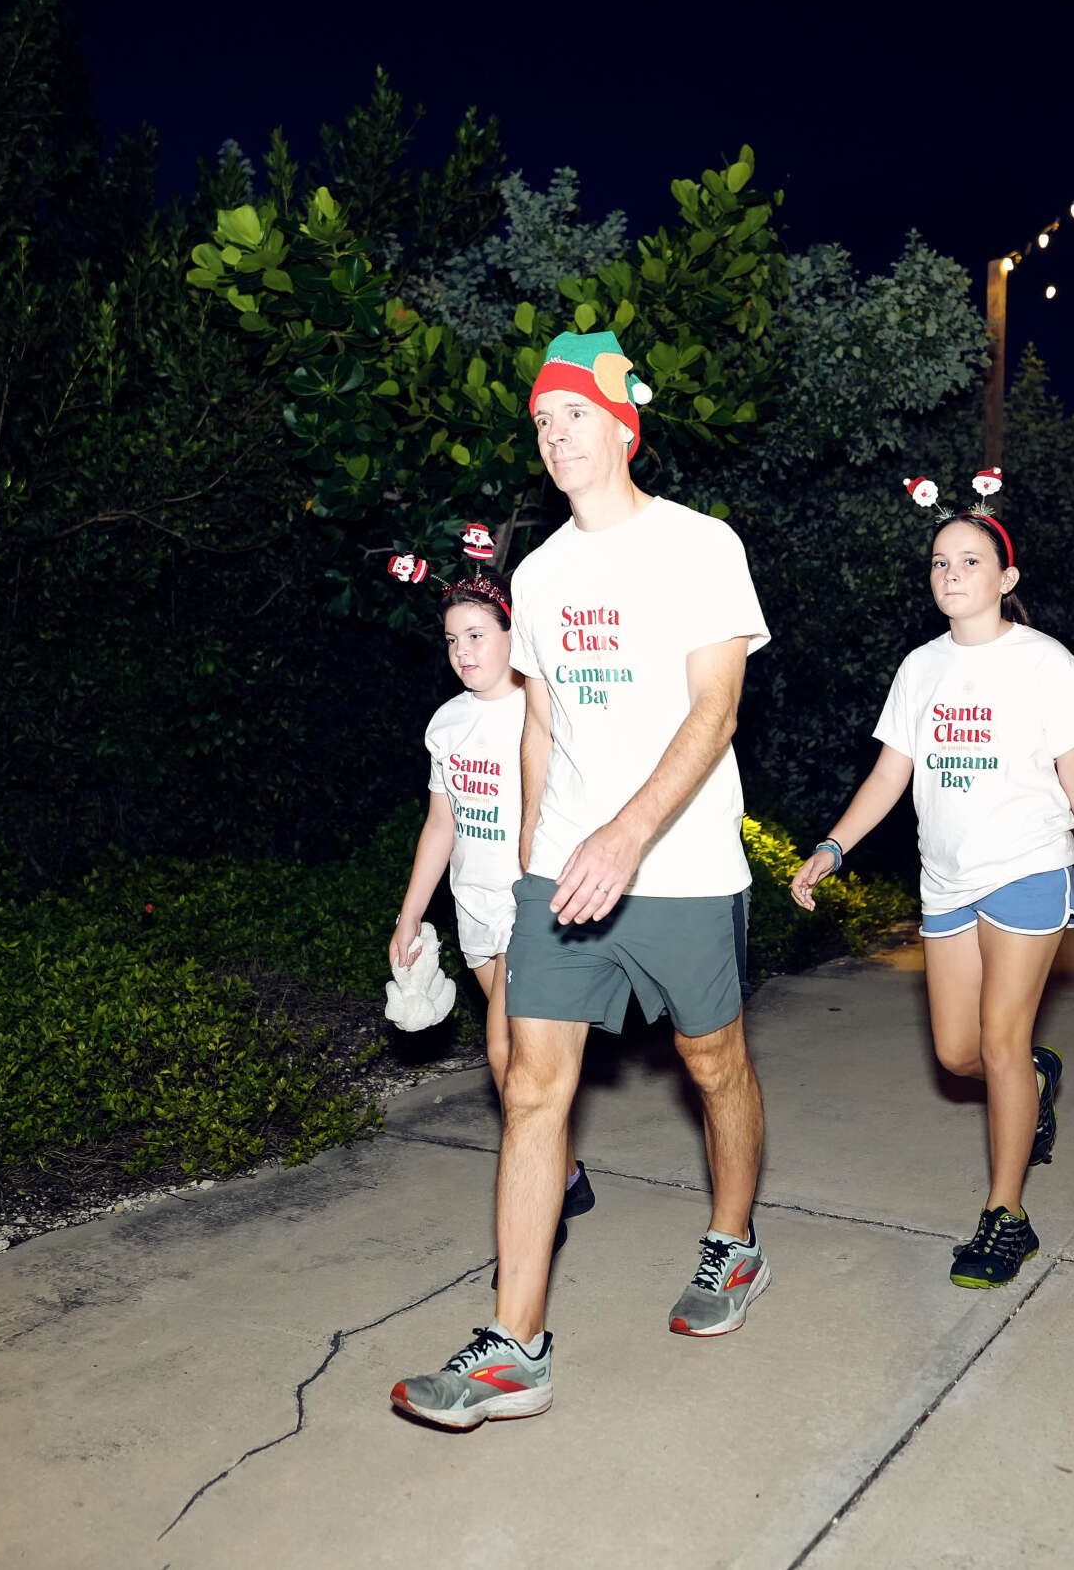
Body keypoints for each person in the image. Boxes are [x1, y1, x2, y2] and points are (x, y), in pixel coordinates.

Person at [391, 331, 771, 1430]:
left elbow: (716, 709)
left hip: (684, 862)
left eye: (569, 416)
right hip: (562, 870)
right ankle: (516, 1345)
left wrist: (628, 835)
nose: (553, 437)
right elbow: (545, 726)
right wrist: (529, 866)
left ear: (620, 423)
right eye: (541, 424)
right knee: (532, 1089)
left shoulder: (700, 546)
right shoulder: (540, 574)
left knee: (715, 1065)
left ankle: (733, 1244)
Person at [786, 488, 1074, 1291]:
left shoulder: (1044, 661)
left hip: (1027, 868)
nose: (951, 572)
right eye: (941, 562)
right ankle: (1036, 1080)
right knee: (959, 1053)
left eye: (969, 560)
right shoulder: (921, 668)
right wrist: (833, 846)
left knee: (1001, 1041)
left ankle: (1005, 1216)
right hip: (943, 880)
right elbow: (890, 772)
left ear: (1006, 576)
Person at [388, 561, 589, 1270]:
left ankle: (537, 1218)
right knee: (520, 1066)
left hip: (529, 905)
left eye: (478, 633)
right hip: (473, 910)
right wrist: (410, 915)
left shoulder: (541, 709)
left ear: (513, 633)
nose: (465, 650)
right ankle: (565, 1170)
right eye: (452, 639)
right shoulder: (447, 723)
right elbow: (441, 824)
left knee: (508, 1058)